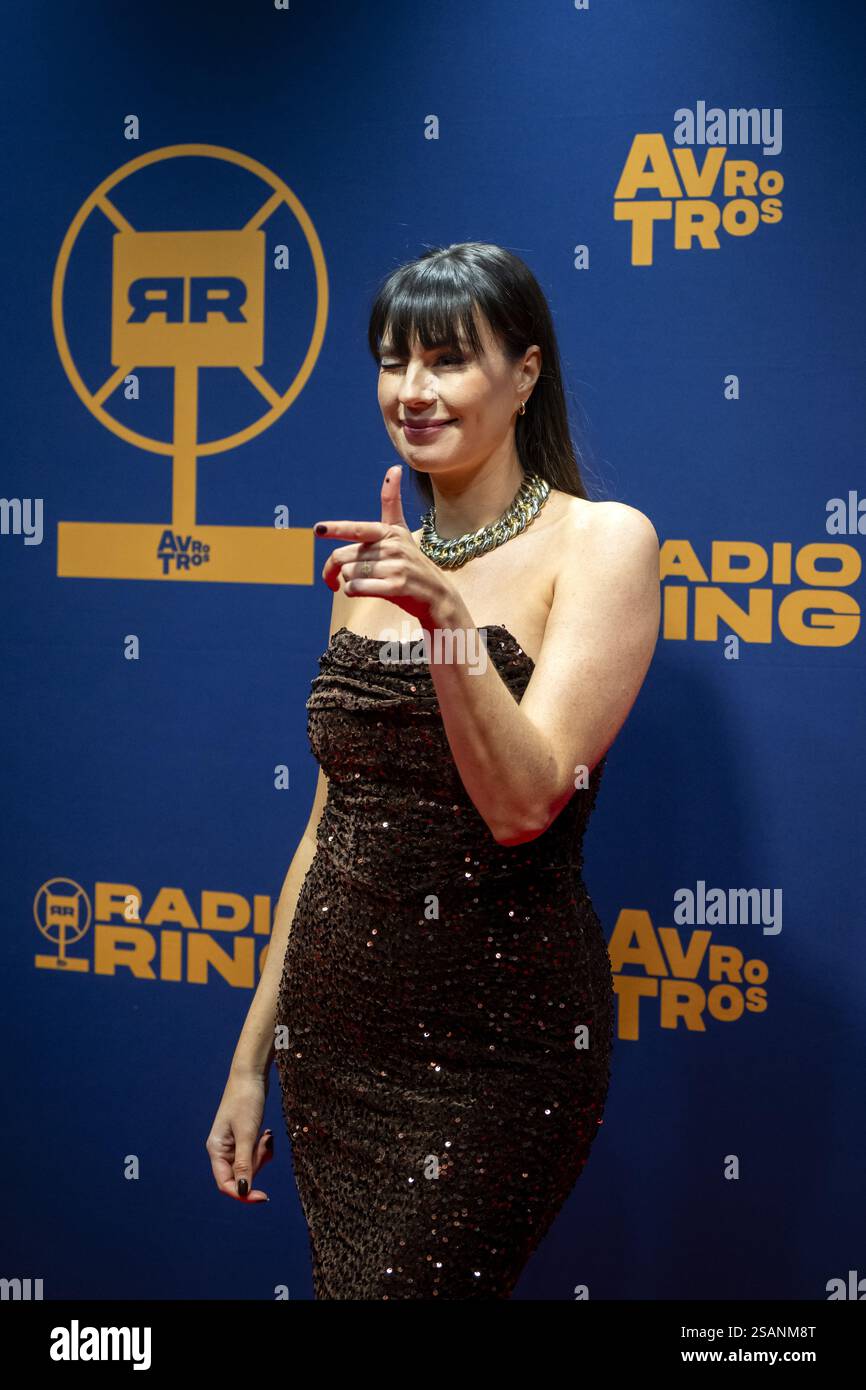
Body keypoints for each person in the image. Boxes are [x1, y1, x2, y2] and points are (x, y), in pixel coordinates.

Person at [206, 242, 660, 1299]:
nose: (411, 390)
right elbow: (326, 832)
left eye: (447, 359)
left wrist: (447, 616)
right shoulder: (369, 568)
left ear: (524, 373)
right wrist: (248, 1060)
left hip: (495, 1053)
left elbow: (521, 803)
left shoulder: (600, 546)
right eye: (390, 360)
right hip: (335, 1037)